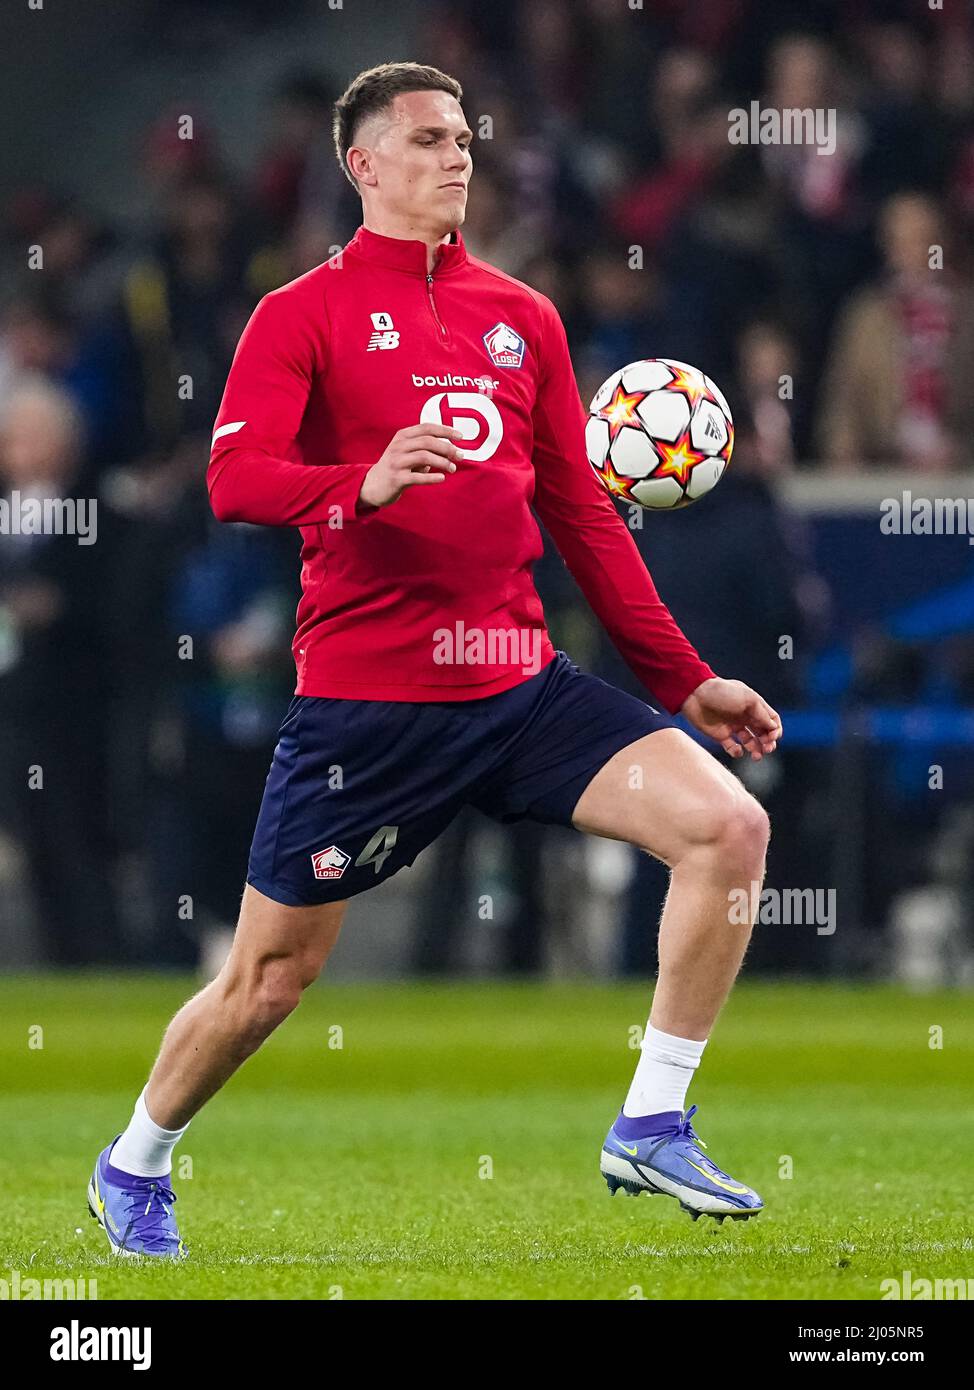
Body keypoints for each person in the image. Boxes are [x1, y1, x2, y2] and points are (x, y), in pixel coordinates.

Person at [87, 61, 781, 1258]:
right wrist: (353, 483)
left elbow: (582, 516)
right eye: (425, 139)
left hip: (516, 688)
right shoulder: (298, 312)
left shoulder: (523, 316)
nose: (455, 156)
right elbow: (234, 479)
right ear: (361, 166)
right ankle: (134, 1161)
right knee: (269, 981)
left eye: (462, 138)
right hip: (368, 709)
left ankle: (652, 1118)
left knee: (727, 827)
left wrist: (683, 678)